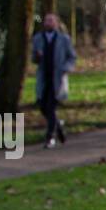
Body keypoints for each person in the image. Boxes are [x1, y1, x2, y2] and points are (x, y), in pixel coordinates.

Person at [31, 13, 76, 148]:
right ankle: (58, 124)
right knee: (43, 107)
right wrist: (37, 57)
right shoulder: (38, 39)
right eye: (46, 21)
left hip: (57, 79)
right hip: (44, 78)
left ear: (56, 23)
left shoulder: (64, 39)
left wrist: (66, 68)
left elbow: (72, 57)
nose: (48, 23)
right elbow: (33, 59)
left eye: (51, 21)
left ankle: (50, 138)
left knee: (51, 107)